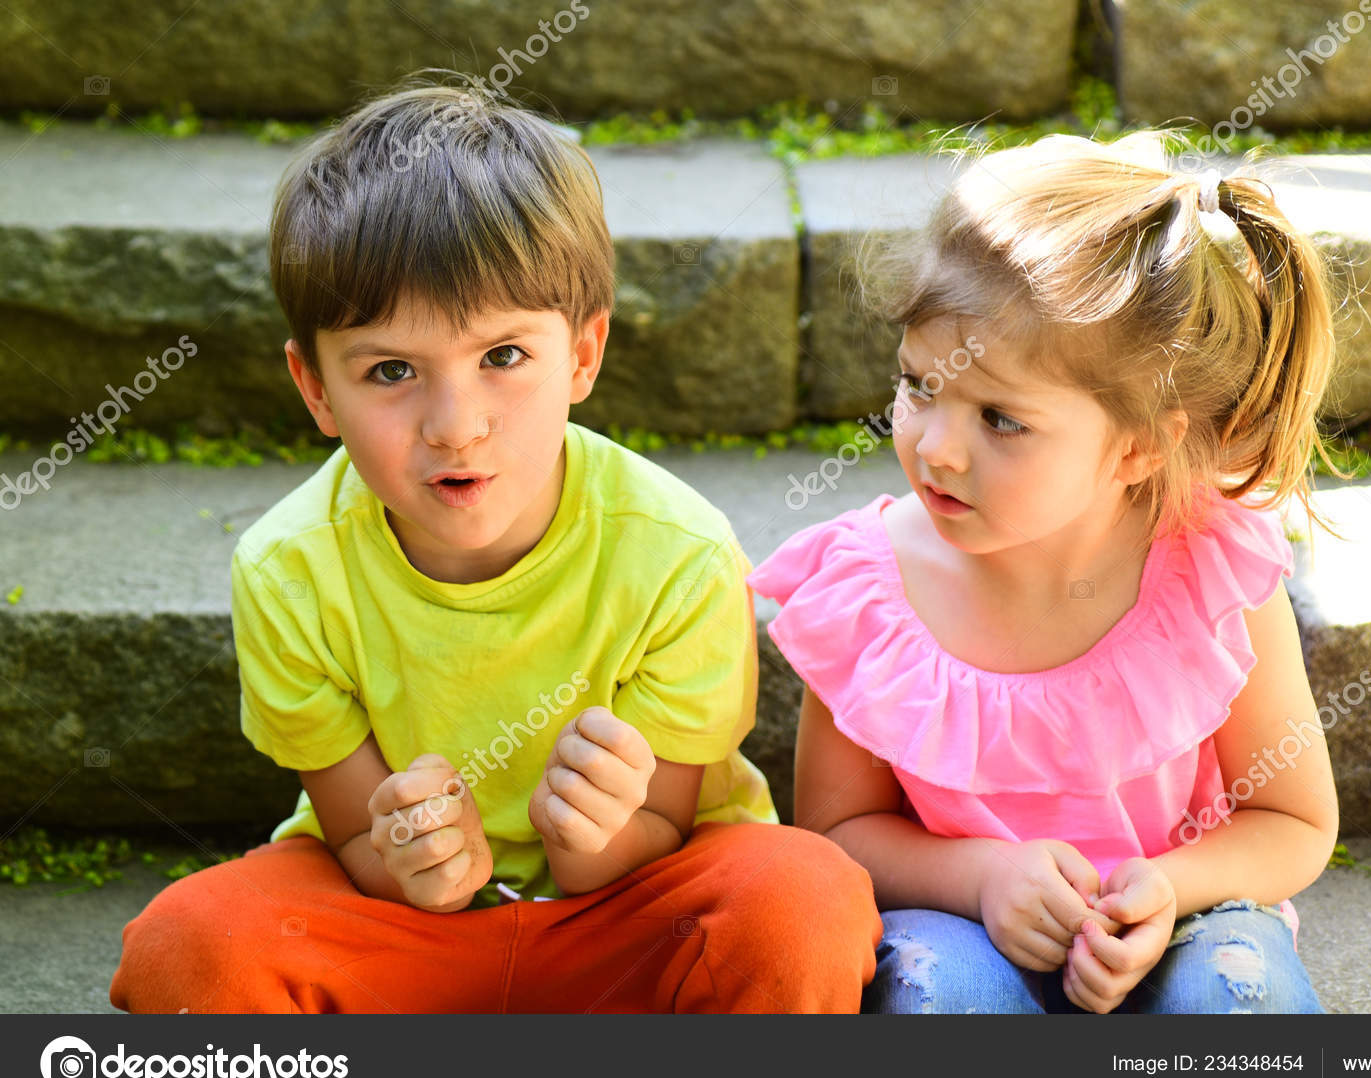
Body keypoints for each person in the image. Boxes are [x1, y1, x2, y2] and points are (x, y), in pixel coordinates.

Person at [109, 75, 878, 1014]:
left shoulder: (677, 553)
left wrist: (596, 839)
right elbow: (353, 838)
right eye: (391, 370)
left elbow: (668, 824)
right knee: (191, 944)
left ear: (584, 355)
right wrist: (411, 867)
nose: (455, 426)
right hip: (402, 935)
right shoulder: (290, 572)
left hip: (631, 917)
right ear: (315, 390)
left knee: (802, 898)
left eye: (503, 357)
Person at [748, 129, 1346, 1014]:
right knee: (932, 997)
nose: (936, 448)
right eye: (918, 385)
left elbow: (1294, 820)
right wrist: (984, 876)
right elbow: (838, 834)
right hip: (956, 924)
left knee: (1237, 1001)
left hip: (1183, 918)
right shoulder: (868, 595)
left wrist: (1168, 889)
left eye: (1001, 419)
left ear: (1139, 446)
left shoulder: (1209, 571)